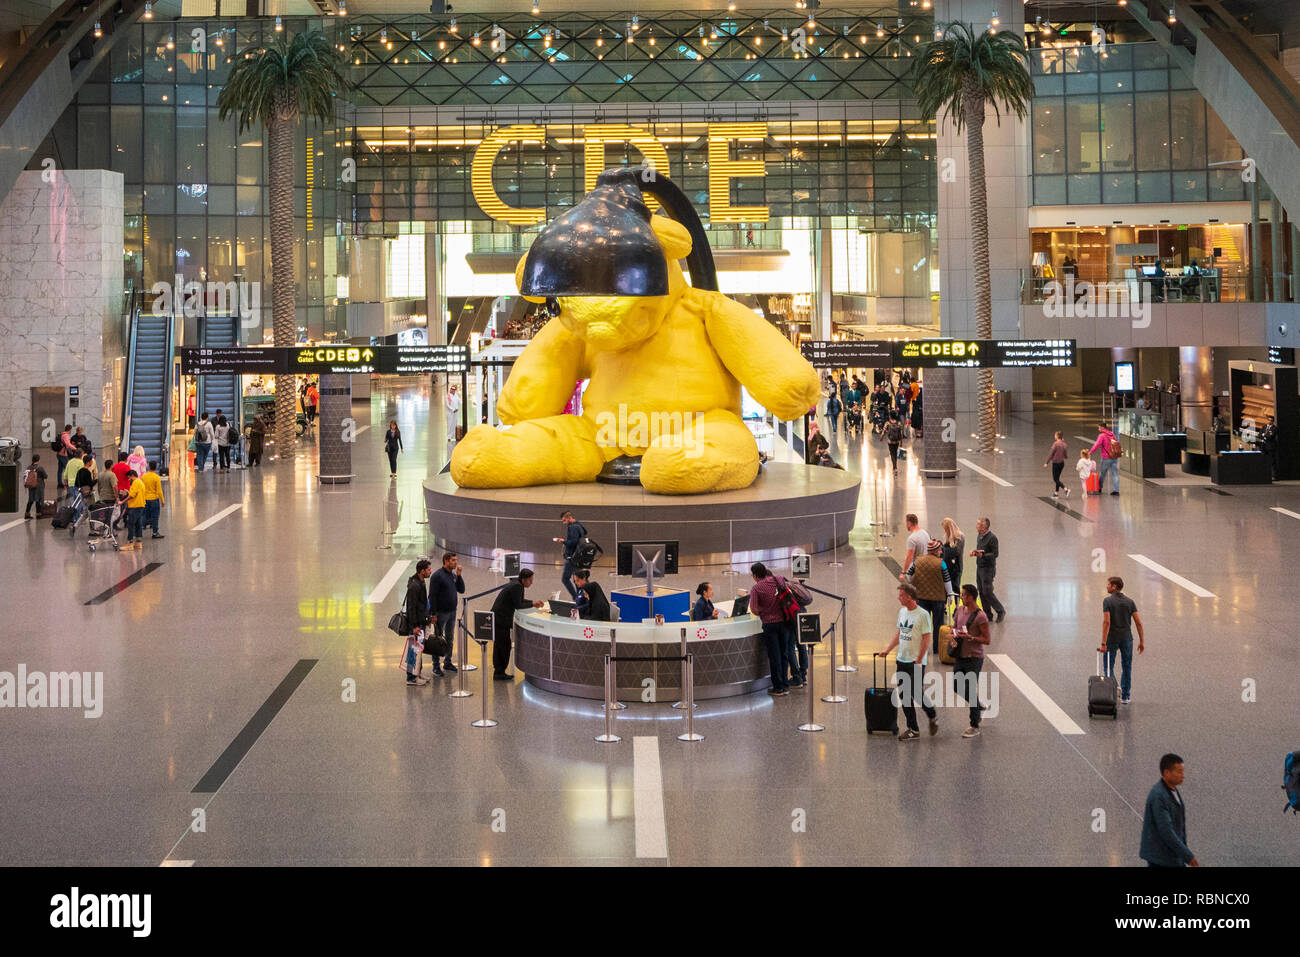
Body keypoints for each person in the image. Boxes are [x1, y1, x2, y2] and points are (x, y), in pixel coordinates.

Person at [880, 583, 937, 741]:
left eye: (901, 595)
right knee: (905, 695)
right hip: (902, 660)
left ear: (909, 597)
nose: (898, 598)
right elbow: (899, 634)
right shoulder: (902, 611)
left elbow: (926, 638)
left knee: (917, 693)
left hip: (915, 662)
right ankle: (913, 729)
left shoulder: (923, 614)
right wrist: (888, 650)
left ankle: (932, 715)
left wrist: (919, 659)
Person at [747, 562, 797, 695]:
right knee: (784, 653)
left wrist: (764, 612)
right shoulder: (778, 579)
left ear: (756, 575)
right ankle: (785, 685)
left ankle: (778, 687)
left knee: (774, 656)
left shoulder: (756, 588)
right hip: (785, 621)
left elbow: (754, 609)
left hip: (770, 625)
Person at [1140, 754, 1197, 867]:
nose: (1183, 775)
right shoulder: (1158, 796)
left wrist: (1183, 853)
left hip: (1173, 856)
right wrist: (1187, 855)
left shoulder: (1172, 791)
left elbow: (1179, 828)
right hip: (1161, 859)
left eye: (1183, 771)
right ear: (1166, 773)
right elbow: (1166, 831)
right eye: (1179, 772)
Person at [489, 568, 545, 680]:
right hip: (501, 619)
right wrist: (533, 604)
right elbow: (518, 605)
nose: (532, 582)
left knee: (500, 645)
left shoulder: (517, 584)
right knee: (504, 646)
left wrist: (532, 603)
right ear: (524, 579)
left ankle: (499, 671)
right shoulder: (517, 587)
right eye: (530, 580)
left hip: (498, 618)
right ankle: (499, 672)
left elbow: (519, 600)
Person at [951, 584, 991, 738]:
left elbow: (987, 640)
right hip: (960, 655)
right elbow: (954, 627)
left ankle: (974, 724)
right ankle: (979, 706)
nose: (961, 597)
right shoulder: (960, 610)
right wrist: (953, 635)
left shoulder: (981, 616)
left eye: (963, 595)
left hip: (974, 658)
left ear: (971, 597)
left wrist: (971, 638)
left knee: (969, 688)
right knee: (956, 685)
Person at [1099, 575, 1144, 705]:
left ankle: (1114, 688)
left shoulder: (1107, 601)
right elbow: (1138, 623)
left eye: (1108, 584)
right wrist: (1141, 641)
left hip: (1112, 638)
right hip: (1127, 638)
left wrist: (1103, 643)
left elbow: (1106, 622)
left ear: (1114, 587)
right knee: (1127, 666)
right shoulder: (1130, 602)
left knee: (1108, 667)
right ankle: (1125, 696)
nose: (1106, 586)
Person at [900, 539, 954, 631]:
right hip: (938, 599)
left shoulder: (917, 561)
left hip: (921, 598)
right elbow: (947, 580)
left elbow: (908, 575)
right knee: (938, 626)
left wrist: (913, 586)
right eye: (940, 550)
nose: (941, 552)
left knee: (923, 626)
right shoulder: (942, 563)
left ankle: (923, 644)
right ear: (935, 551)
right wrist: (950, 594)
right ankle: (937, 645)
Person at [428, 552, 465, 676]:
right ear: (446, 561)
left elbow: (461, 589)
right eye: (453, 560)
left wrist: (459, 576)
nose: (456, 562)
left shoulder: (452, 575)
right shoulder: (437, 576)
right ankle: (436, 666)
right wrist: (433, 613)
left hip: (452, 612)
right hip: (440, 613)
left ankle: (447, 662)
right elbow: (432, 596)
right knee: (438, 639)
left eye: (456, 560)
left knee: (449, 638)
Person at [402, 559, 433, 686]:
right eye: (429, 570)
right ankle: (411, 677)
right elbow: (411, 608)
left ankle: (417, 673)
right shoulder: (414, 586)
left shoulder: (421, 582)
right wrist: (414, 626)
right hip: (416, 624)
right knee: (413, 649)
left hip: (421, 621)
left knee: (419, 648)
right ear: (422, 571)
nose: (430, 572)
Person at [971, 517, 1005, 621]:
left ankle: (1000, 611)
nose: (976, 526)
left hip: (988, 569)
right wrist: (975, 552)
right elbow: (981, 548)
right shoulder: (980, 535)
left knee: (987, 592)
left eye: (978, 525)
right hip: (980, 567)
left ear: (984, 527)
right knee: (981, 591)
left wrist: (983, 555)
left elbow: (995, 554)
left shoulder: (992, 538)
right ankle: (987, 614)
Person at [553, 510, 586, 600]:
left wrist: (563, 541)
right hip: (579, 556)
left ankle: (576, 597)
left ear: (569, 518)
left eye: (564, 520)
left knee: (565, 579)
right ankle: (582, 597)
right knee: (579, 578)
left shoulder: (573, 527)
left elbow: (573, 542)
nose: (564, 523)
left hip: (573, 557)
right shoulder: (579, 524)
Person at [1088, 422, 1120, 495]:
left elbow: (1097, 445)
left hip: (1106, 458)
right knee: (1115, 474)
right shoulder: (1112, 434)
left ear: (1102, 428)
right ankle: (1116, 490)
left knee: (1103, 473)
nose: (1098, 429)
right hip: (1114, 457)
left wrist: (1090, 452)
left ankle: (1099, 488)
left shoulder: (1102, 435)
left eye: (1099, 427)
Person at [123, 469, 146, 549]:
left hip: (135, 506)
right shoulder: (140, 482)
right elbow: (135, 494)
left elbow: (132, 496)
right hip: (140, 505)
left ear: (132, 476)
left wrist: (122, 501)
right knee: (138, 524)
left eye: (129, 478)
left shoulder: (135, 482)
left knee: (130, 524)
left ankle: (130, 543)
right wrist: (128, 492)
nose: (129, 480)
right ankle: (138, 543)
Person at [142, 460, 165, 539]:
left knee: (144, 515)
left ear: (148, 466)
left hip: (145, 499)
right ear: (156, 467)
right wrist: (162, 501)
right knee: (155, 516)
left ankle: (140, 530)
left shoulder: (144, 476)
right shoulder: (156, 477)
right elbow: (159, 490)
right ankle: (155, 533)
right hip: (154, 499)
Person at [940, 517, 965, 591]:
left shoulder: (960, 536)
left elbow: (957, 551)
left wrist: (943, 550)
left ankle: (957, 602)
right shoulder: (946, 537)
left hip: (956, 567)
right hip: (947, 566)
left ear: (950, 528)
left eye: (946, 529)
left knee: (955, 587)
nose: (945, 531)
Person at [22, 454, 48, 519]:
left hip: (31, 486)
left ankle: (27, 513)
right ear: (38, 460)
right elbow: (45, 476)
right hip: (38, 486)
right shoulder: (40, 468)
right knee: (38, 500)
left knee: (30, 500)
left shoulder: (28, 467)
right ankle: (38, 515)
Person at [1044, 430, 1069, 498]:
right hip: (1062, 463)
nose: (1054, 436)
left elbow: (1051, 454)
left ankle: (1065, 489)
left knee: (1055, 479)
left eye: (1055, 435)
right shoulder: (1064, 444)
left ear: (1057, 436)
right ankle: (1056, 493)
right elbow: (1066, 455)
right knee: (1057, 478)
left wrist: (1046, 462)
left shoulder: (1055, 444)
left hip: (1055, 463)